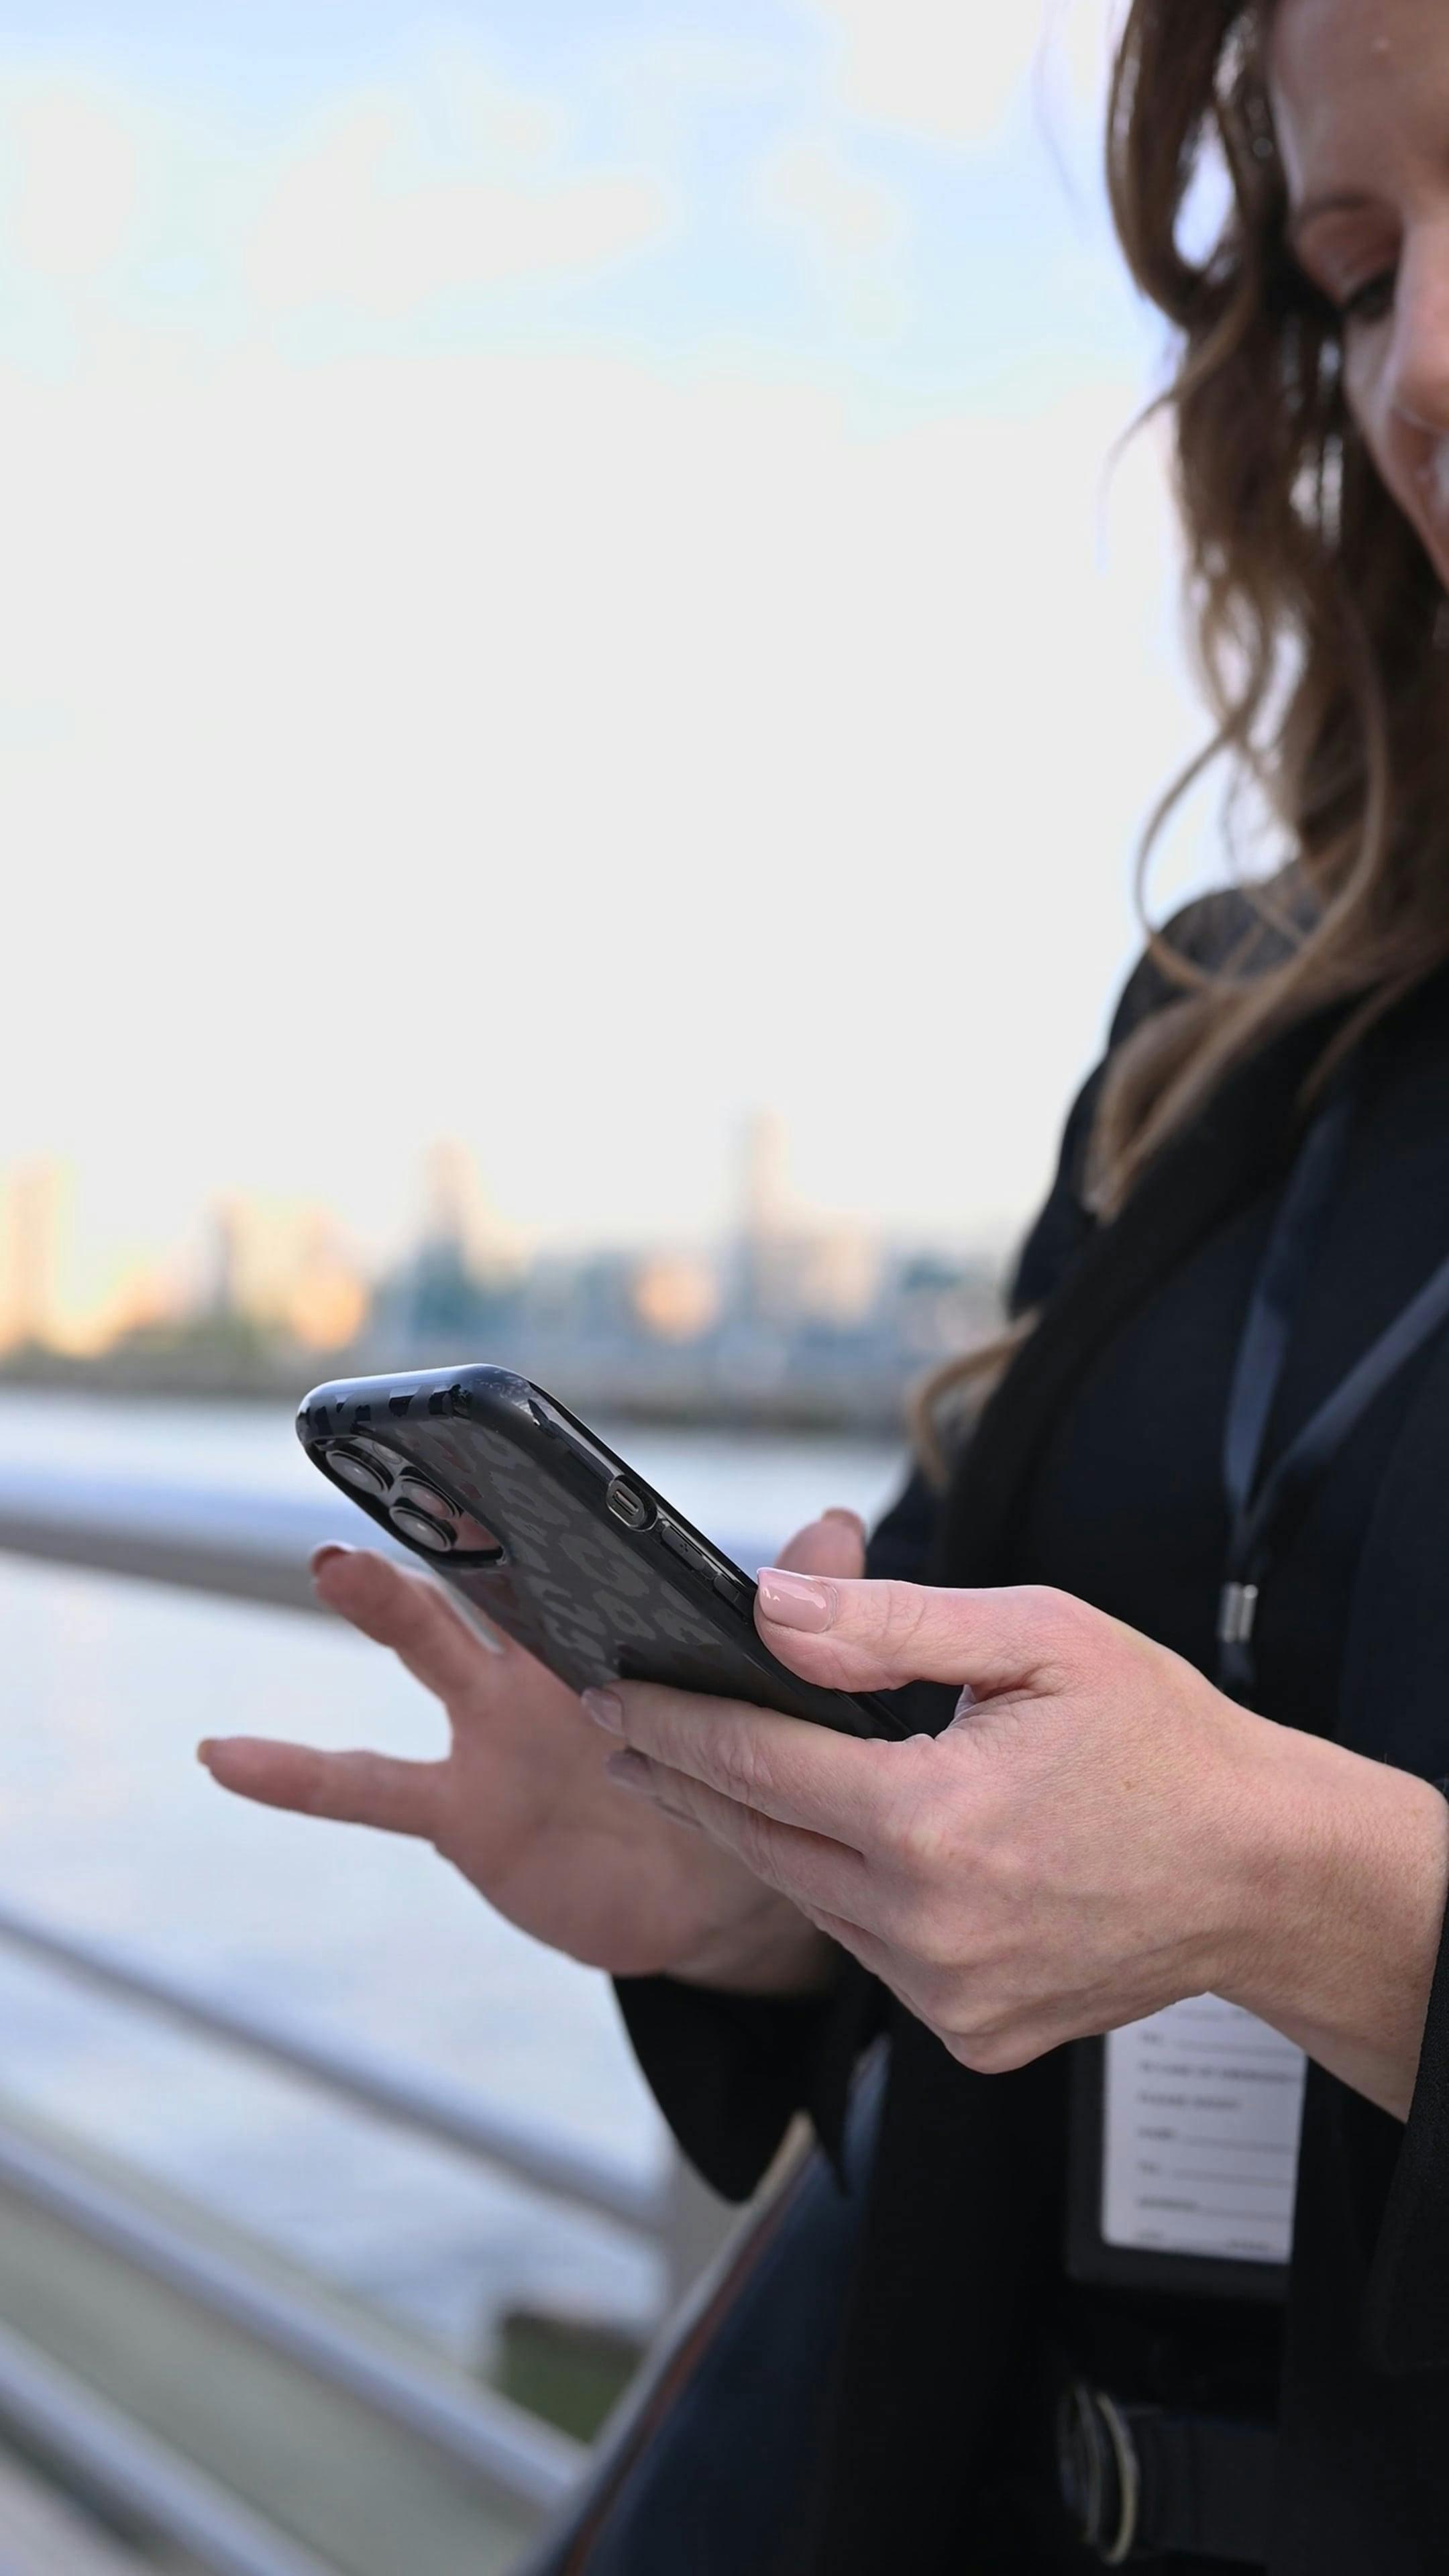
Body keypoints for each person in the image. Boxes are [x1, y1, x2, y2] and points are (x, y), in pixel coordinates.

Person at [199, 1, 1449, 2565]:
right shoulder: (1225, 1029)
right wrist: (760, 1893)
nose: (1419, 363)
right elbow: (1001, 1792)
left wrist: (1327, 1911)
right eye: (1353, 265)